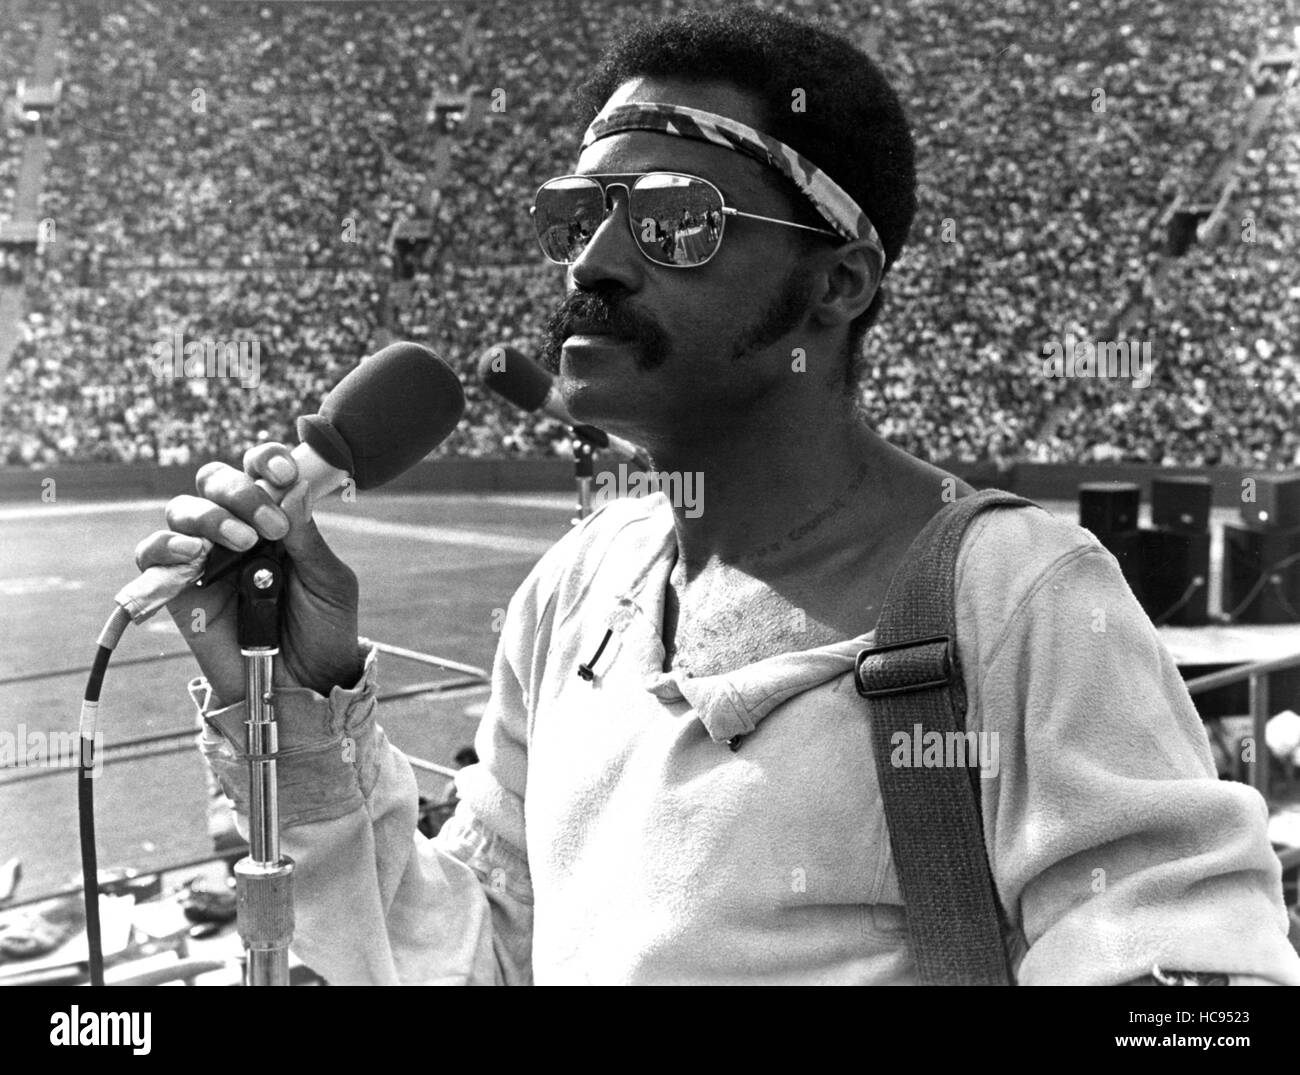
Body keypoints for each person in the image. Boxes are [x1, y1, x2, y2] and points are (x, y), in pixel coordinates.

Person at [136, 5, 1300, 985]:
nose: (593, 260)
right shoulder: (573, 592)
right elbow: (485, 952)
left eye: (674, 223)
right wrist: (301, 695)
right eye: (576, 214)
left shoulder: (1025, 603)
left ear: (837, 284)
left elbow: (1192, 985)